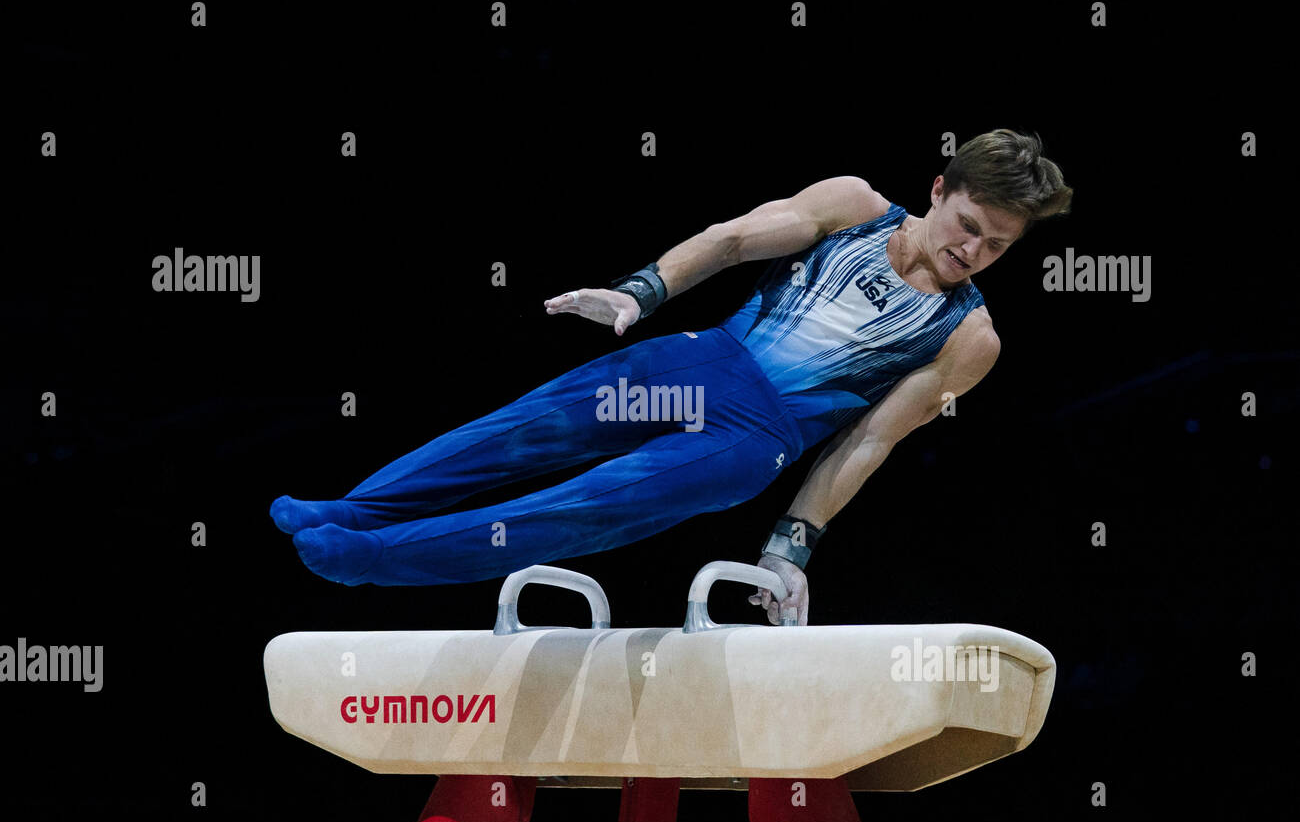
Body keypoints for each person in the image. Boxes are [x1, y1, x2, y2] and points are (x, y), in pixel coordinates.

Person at [270, 129, 1071, 627]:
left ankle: (371, 555)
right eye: (969, 225)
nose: (973, 251)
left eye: (997, 245)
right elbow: (732, 238)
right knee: (516, 433)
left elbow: (870, 439)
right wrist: (641, 290)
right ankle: (352, 507)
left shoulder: (970, 337)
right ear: (939, 189)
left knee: (579, 507)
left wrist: (791, 546)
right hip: (698, 362)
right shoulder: (856, 205)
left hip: (753, 438)